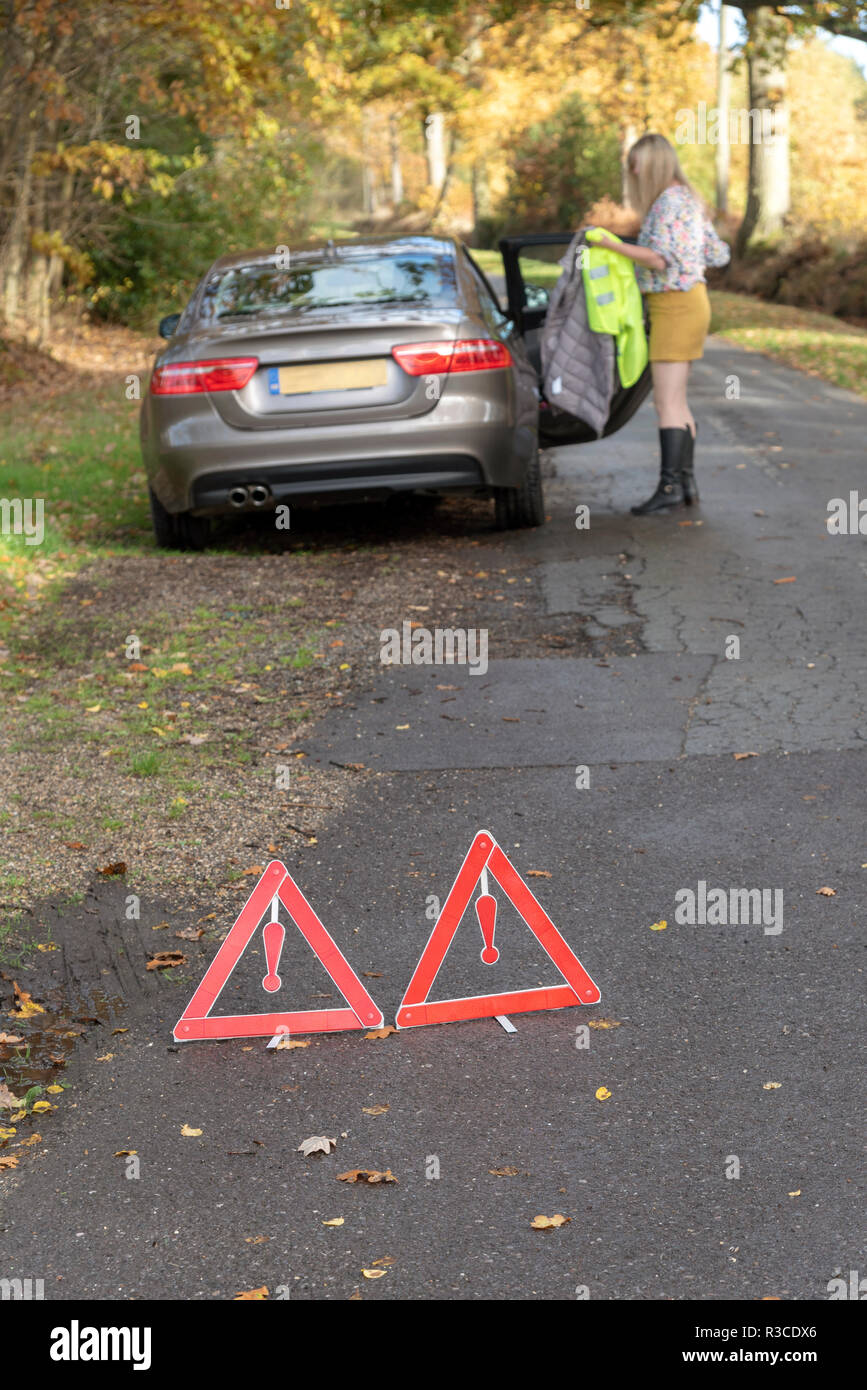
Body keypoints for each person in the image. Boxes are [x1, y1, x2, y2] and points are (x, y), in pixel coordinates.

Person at [594, 133, 731, 514]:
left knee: (666, 401)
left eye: (635, 166)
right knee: (677, 400)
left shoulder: (669, 202)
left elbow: (658, 259)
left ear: (653, 164)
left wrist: (610, 244)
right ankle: (685, 484)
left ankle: (670, 487)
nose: (633, 173)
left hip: (675, 306)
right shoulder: (688, 199)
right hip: (689, 302)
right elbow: (718, 253)